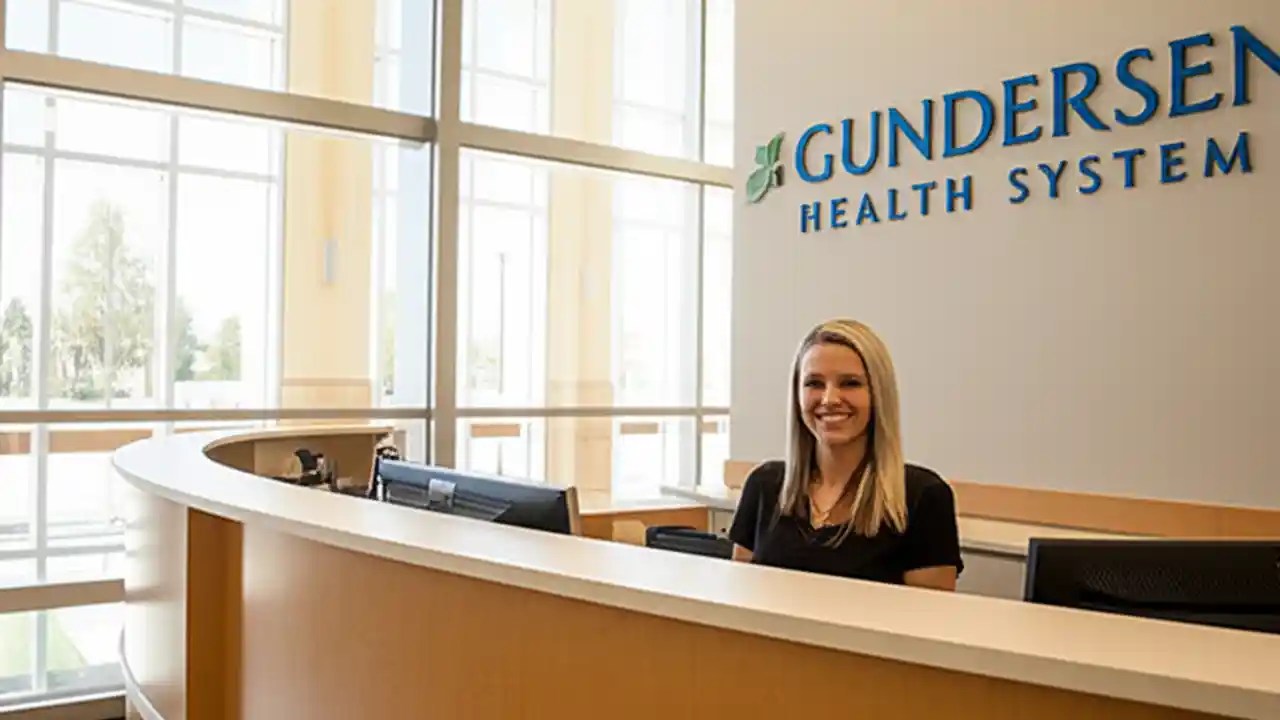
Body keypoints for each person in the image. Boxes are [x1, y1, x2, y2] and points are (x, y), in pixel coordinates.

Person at [728, 318, 963, 591]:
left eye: (850, 383)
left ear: (878, 394)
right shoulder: (764, 486)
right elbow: (740, 604)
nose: (829, 399)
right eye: (814, 383)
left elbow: (929, 622)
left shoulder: (923, 497)